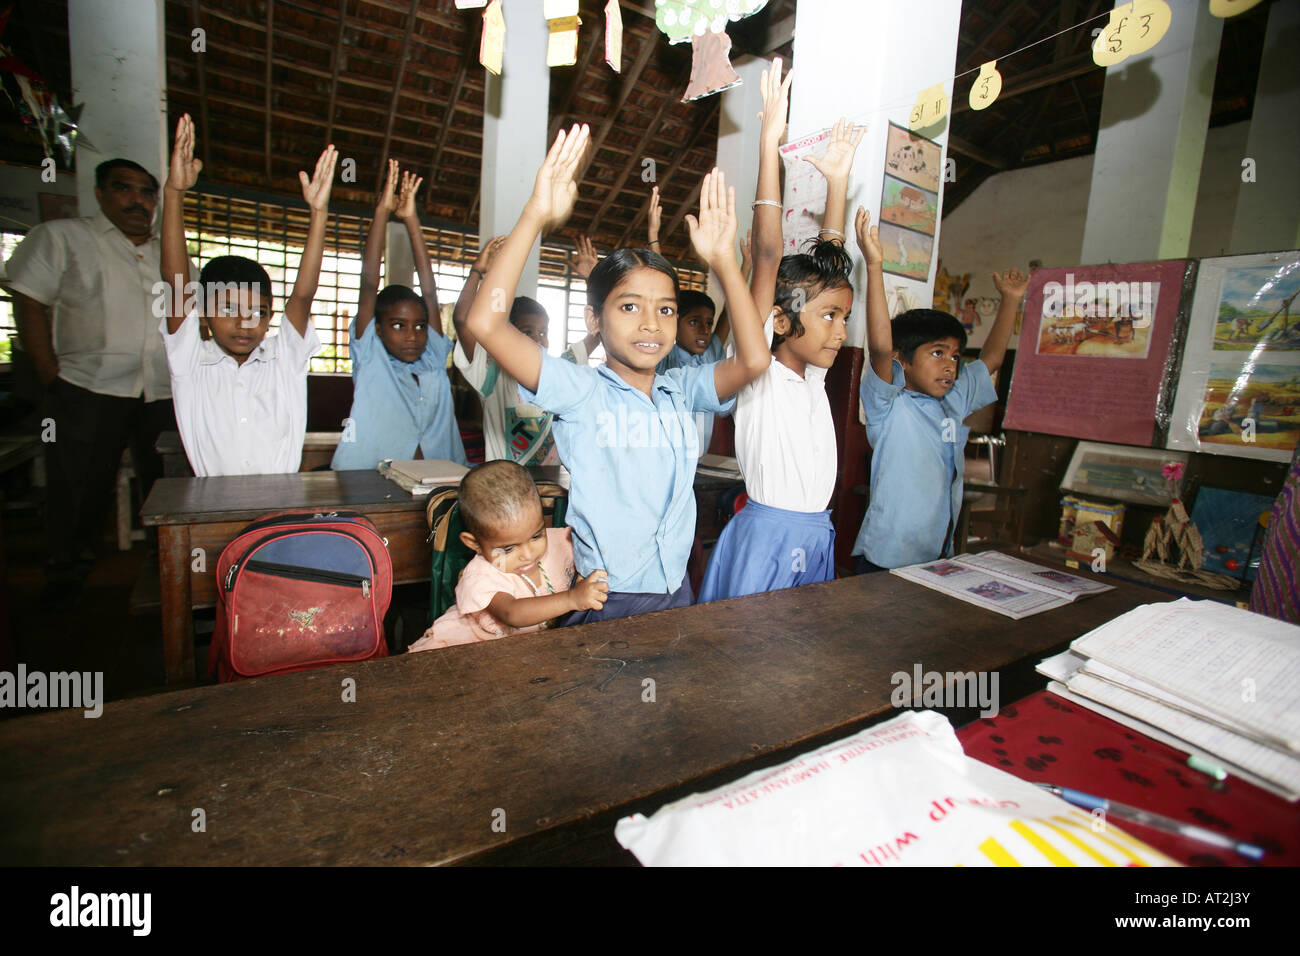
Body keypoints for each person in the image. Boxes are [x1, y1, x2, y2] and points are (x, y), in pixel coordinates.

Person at [464, 124, 769, 624]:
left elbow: (754, 360)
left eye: (666, 310)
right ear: (594, 320)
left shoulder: (679, 389)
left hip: (675, 590)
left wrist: (724, 262)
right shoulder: (581, 390)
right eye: (629, 306)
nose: (651, 322)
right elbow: (485, 321)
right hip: (608, 599)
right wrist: (535, 214)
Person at [700, 59, 861, 601]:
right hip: (766, 540)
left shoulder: (812, 376)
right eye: (830, 319)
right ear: (780, 321)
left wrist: (836, 182)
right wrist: (770, 144)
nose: (840, 332)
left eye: (844, 318)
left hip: (817, 534)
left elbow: (831, 271)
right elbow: (768, 256)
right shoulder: (760, 366)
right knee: (745, 668)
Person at [4, 156, 186, 608]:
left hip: (160, 390)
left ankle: (160, 564)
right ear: (100, 193)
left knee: (165, 483)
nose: (138, 201)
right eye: (124, 189)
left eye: (147, 193)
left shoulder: (167, 254)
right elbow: (29, 304)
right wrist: (52, 377)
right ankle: (67, 569)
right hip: (86, 386)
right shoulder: (63, 238)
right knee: (79, 483)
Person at [852, 202, 1028, 571]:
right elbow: (882, 346)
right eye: (937, 353)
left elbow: (992, 360)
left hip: (936, 553)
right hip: (887, 557)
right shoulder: (889, 405)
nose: (950, 364)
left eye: (954, 355)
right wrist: (874, 265)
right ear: (904, 360)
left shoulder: (953, 399)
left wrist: (1011, 301)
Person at [159, 113, 334, 477]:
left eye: (258, 311)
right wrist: (173, 193)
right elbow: (177, 285)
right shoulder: (191, 363)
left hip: (280, 508)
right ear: (203, 312)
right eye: (228, 308)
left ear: (270, 317)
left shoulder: (283, 359)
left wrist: (319, 214)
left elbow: (301, 297)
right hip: (212, 510)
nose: (244, 322)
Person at [332, 160, 466, 470]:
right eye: (398, 325)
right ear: (377, 329)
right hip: (368, 479)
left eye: (420, 326)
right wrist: (382, 212)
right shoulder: (371, 359)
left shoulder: (432, 357)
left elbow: (430, 292)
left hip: (440, 477)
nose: (413, 335)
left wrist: (412, 220)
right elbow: (368, 283)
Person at [407, 461, 608, 650]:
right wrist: (572, 599)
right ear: (474, 544)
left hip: (520, 653)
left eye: (536, 535)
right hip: (464, 649)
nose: (528, 554)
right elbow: (511, 612)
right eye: (508, 549)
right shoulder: (480, 576)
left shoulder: (561, 541)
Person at [452, 235, 599, 465]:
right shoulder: (492, 375)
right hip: (505, 491)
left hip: (551, 491)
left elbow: (599, 331)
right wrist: (478, 272)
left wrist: (594, 281)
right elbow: (462, 320)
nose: (537, 340)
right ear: (508, 333)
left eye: (543, 332)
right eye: (527, 332)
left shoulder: (558, 372)